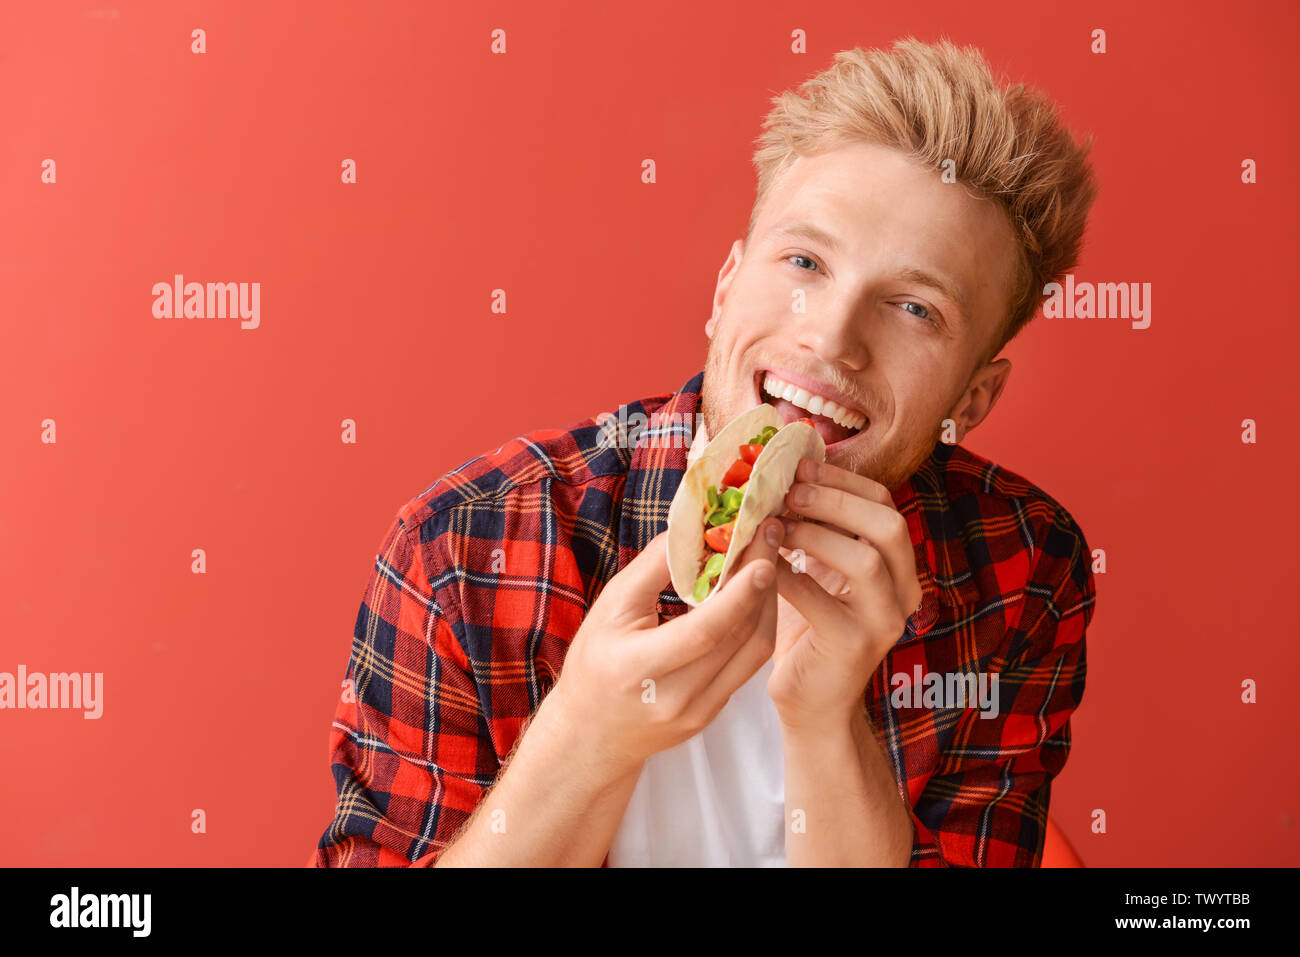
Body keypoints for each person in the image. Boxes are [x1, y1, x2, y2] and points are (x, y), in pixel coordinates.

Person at [311, 36, 1099, 868]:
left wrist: (828, 720)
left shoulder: (1023, 564)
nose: (832, 336)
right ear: (726, 291)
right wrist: (587, 733)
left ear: (973, 398)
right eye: (803, 260)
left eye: (914, 309)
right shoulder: (465, 548)